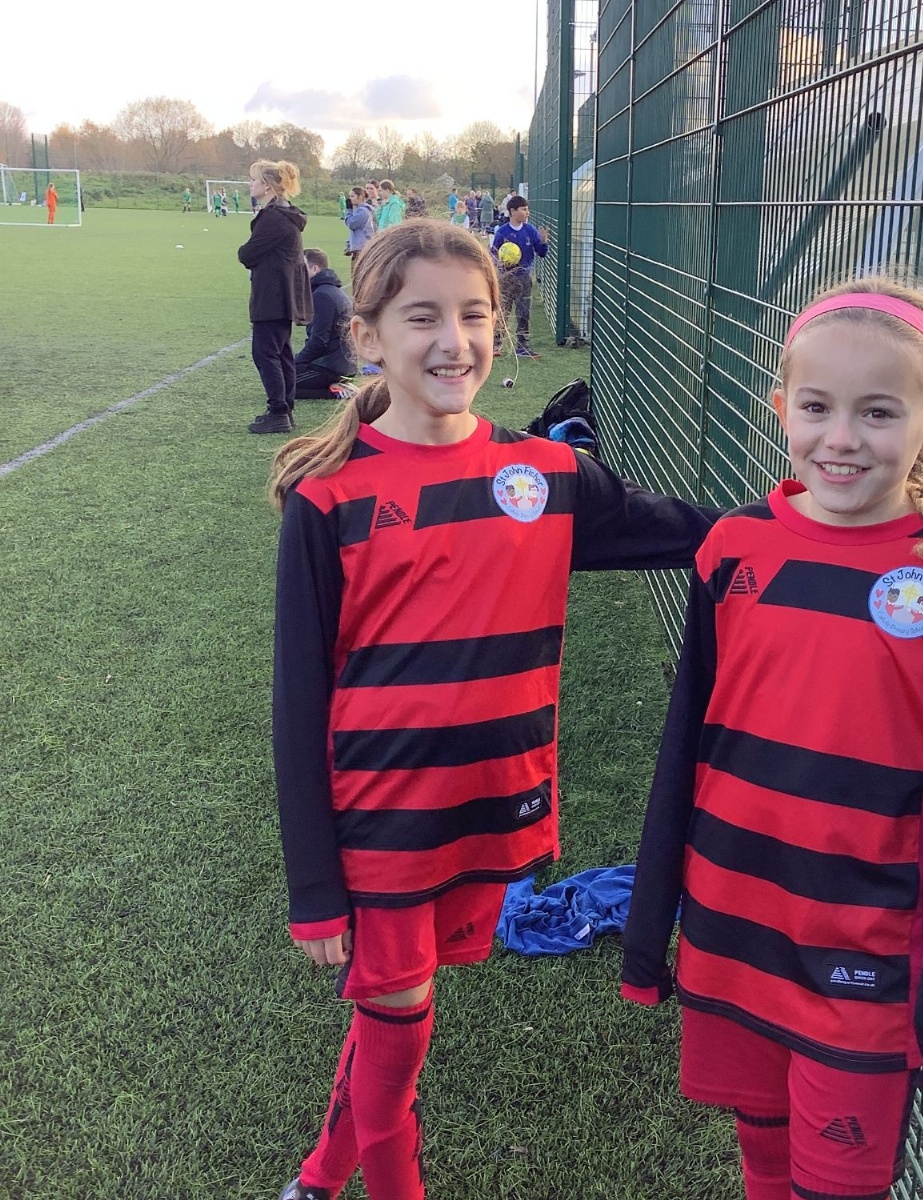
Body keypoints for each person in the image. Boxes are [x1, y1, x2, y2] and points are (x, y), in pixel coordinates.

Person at [267, 220, 720, 1200]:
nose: (452, 342)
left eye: (473, 316)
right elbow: (295, 710)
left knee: (393, 1018)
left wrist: (798, 530)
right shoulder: (330, 497)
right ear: (370, 336)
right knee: (400, 1033)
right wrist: (314, 888)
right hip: (379, 823)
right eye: (421, 316)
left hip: (487, 807)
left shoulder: (544, 477)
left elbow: (674, 531)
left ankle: (313, 1179)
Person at [620, 278, 923, 1200]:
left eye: (878, 412)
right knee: (762, 1151)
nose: (841, 438)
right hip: (734, 924)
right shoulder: (732, 550)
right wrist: (654, 933)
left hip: (862, 957)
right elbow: (686, 747)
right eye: (817, 407)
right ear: (781, 410)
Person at [237, 159, 313, 435]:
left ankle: (279, 411)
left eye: (254, 180)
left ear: (267, 186)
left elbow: (247, 254)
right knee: (280, 353)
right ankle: (283, 409)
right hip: (283, 293)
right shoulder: (284, 214)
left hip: (274, 294)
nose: (250, 184)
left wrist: (246, 254)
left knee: (266, 353)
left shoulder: (273, 218)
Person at [491, 195, 549, 359]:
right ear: (512, 211)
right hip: (507, 278)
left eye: (527, 209)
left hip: (524, 277)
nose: (527, 212)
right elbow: (493, 254)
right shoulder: (503, 232)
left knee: (524, 312)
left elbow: (542, 253)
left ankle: (523, 347)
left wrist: (544, 242)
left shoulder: (530, 230)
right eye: (524, 209)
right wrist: (502, 263)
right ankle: (495, 345)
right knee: (503, 311)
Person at [294, 248, 356, 399]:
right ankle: (338, 385)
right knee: (283, 376)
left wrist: (296, 362)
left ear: (314, 268)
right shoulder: (332, 290)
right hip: (342, 364)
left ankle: (335, 391)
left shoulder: (322, 295)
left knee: (281, 385)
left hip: (330, 367)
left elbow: (319, 341)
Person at [344, 186, 375, 270]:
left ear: (360, 197)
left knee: (358, 275)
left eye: (352, 196)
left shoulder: (363, 211)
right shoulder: (360, 210)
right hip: (359, 248)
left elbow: (351, 224)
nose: (350, 199)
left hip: (361, 249)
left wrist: (348, 210)